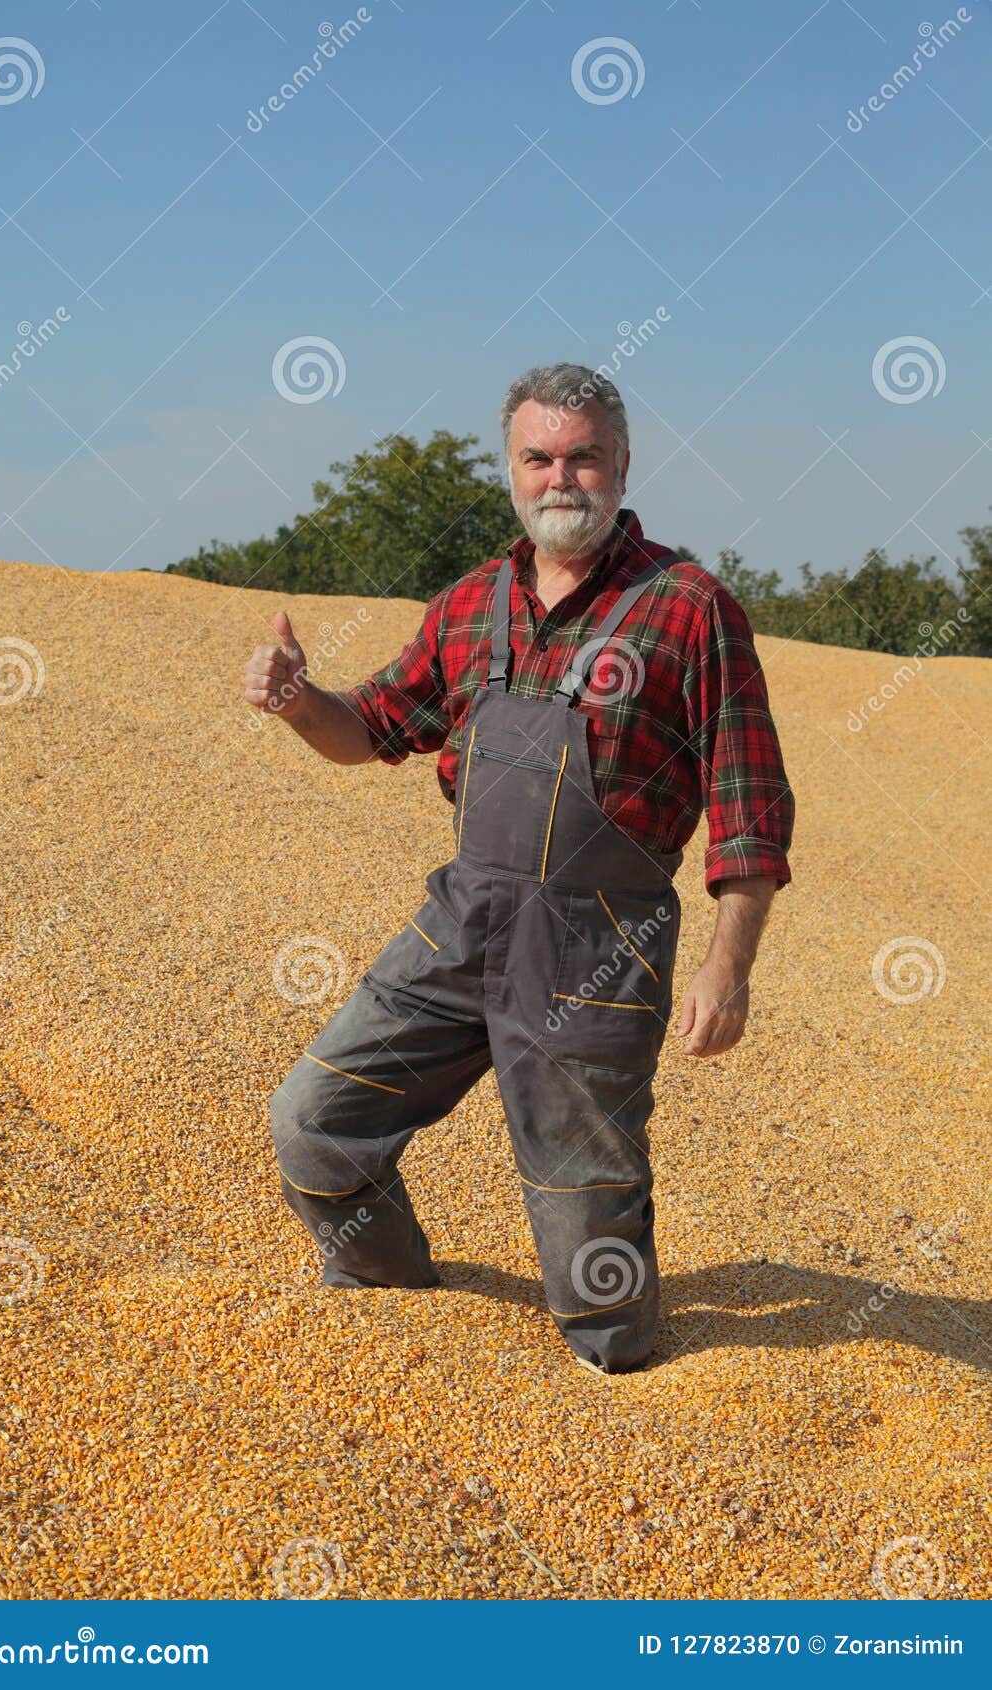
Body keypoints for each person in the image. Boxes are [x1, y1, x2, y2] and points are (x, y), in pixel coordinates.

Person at [243, 363, 795, 1375]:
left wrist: (727, 968)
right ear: (510, 469)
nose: (560, 477)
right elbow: (366, 731)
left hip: (598, 944)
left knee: (586, 1238)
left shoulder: (687, 608)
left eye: (583, 456)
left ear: (621, 465)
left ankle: (619, 1378)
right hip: (462, 923)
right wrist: (295, 700)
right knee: (314, 1121)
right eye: (538, 457)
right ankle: (389, 1300)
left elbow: (750, 808)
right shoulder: (468, 604)